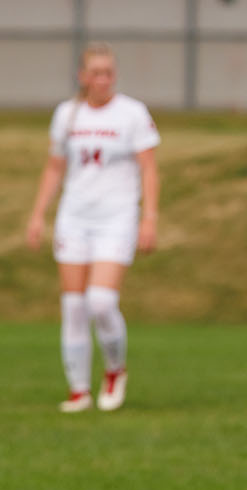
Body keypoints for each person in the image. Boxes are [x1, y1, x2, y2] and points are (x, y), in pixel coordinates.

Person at [26, 42, 160, 413]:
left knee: (100, 302)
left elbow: (148, 167)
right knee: (73, 306)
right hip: (75, 217)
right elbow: (55, 167)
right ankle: (79, 389)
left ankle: (115, 369)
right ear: (82, 77)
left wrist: (149, 217)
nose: (104, 80)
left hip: (116, 218)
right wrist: (38, 214)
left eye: (109, 73)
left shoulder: (132, 113)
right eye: (96, 73)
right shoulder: (67, 115)